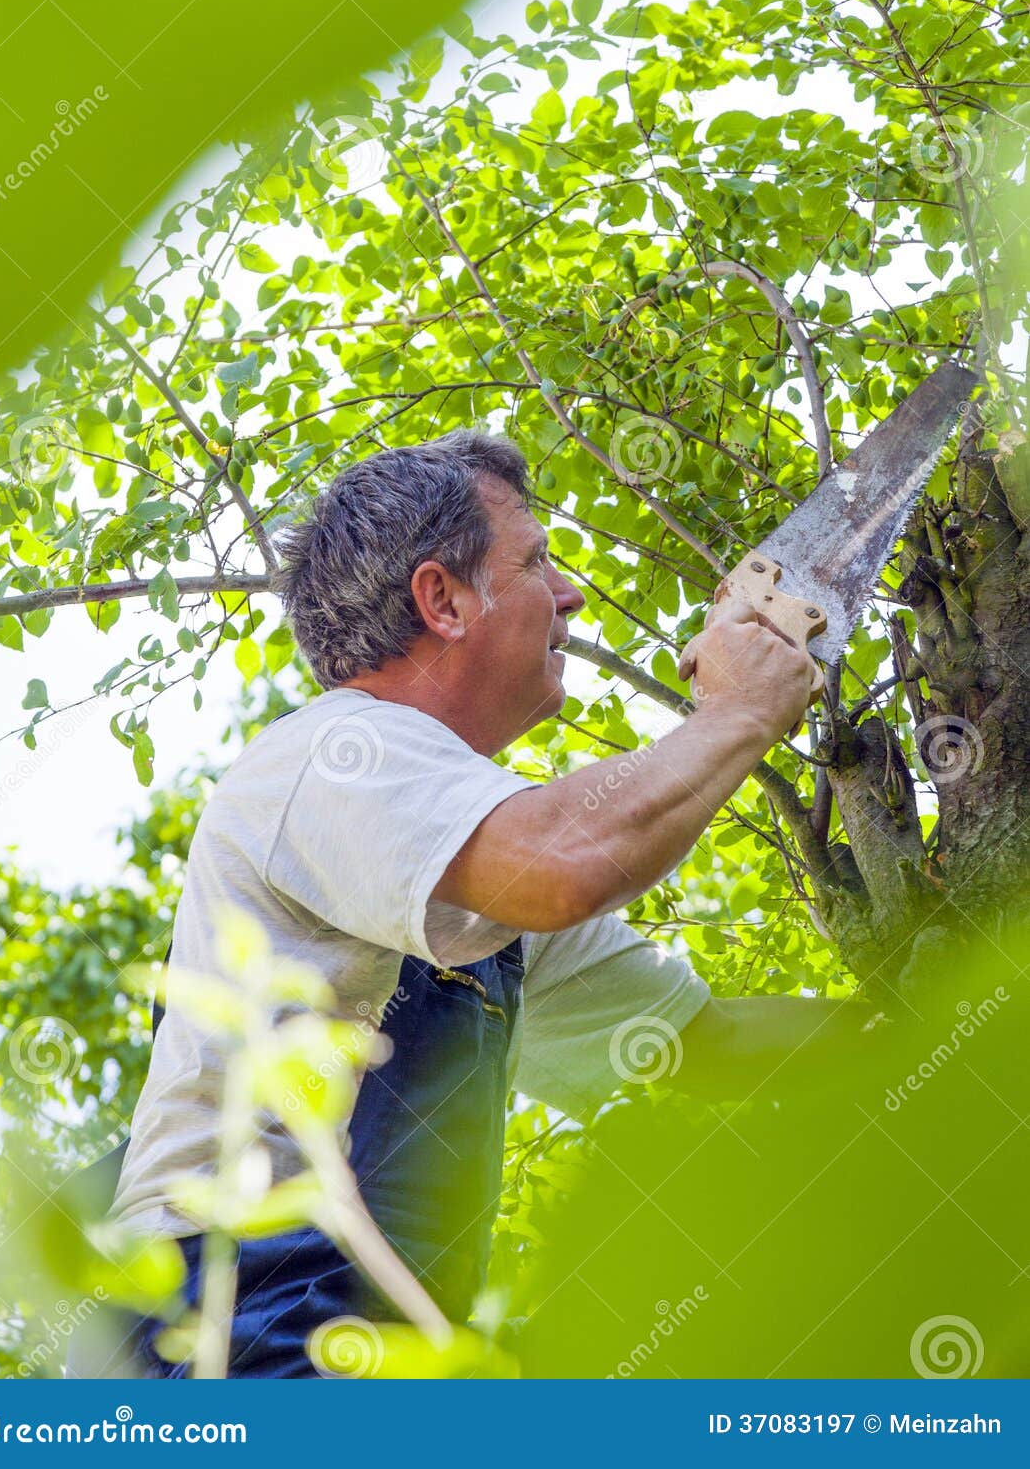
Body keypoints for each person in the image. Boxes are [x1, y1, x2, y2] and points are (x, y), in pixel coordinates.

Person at [112, 427, 866, 1377]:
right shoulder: (334, 754)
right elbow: (563, 861)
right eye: (537, 561)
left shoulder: (469, 869)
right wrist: (739, 711)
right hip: (223, 1325)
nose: (569, 594)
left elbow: (702, 1046)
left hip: (363, 1344)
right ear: (443, 599)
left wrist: (926, 1030)